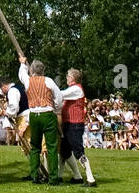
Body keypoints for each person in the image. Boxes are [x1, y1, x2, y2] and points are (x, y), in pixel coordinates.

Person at [18, 55, 62, 185]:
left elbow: (21, 74)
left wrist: (22, 64)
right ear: (43, 70)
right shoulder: (49, 81)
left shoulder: (28, 81)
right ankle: (53, 178)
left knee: (35, 147)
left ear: (32, 70)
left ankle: (35, 176)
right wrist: (54, 106)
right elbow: (59, 98)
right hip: (47, 113)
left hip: (34, 115)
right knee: (52, 146)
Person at [58, 69, 96, 185]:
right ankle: (75, 176)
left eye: (68, 76)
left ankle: (90, 178)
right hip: (69, 124)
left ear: (73, 78)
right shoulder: (74, 89)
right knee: (64, 151)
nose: (67, 78)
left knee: (78, 152)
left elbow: (60, 94)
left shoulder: (76, 89)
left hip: (74, 125)